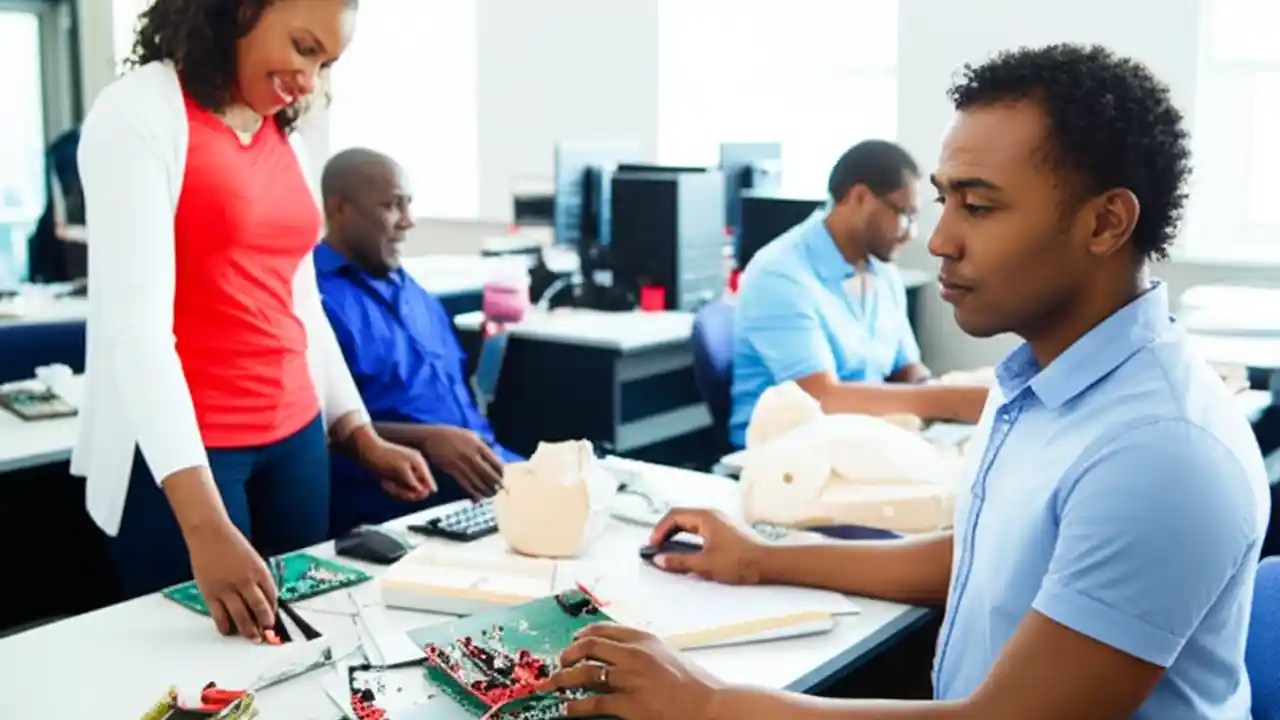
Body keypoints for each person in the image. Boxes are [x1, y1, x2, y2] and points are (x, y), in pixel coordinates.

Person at [539, 44, 1270, 719]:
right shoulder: (1047, 383)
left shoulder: (1160, 452)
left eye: (978, 207)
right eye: (944, 200)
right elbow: (981, 555)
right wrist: (760, 558)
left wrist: (706, 706)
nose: (941, 239)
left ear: (1106, 222)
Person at [73, 0, 435, 642]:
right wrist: (207, 526)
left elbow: (301, 305)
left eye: (325, 63)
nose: (310, 81)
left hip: (295, 441)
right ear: (240, 10)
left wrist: (356, 429)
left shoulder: (278, 133)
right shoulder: (135, 115)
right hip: (192, 461)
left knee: (301, 657)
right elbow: (136, 332)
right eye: (302, 48)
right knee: (197, 673)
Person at [313, 148, 523, 534]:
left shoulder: (414, 292)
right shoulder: (316, 300)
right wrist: (429, 441)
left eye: (409, 205)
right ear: (340, 208)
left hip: (488, 475)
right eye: (392, 206)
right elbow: (316, 431)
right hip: (408, 498)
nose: (408, 222)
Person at [728, 140, 987, 448]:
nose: (910, 233)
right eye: (903, 214)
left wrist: (945, 395)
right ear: (860, 197)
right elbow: (821, 397)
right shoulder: (779, 274)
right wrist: (952, 401)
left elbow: (906, 368)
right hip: (786, 453)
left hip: (858, 438)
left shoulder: (881, 269)